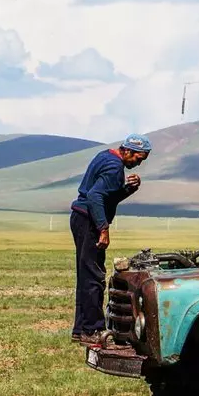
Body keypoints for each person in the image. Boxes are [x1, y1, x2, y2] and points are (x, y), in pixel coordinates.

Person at [69, 134, 151, 344]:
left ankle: (81, 329)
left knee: (86, 275)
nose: (138, 163)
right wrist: (103, 229)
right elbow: (95, 196)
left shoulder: (105, 156)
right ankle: (92, 330)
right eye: (138, 158)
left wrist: (128, 189)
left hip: (80, 218)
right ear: (128, 151)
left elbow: (106, 195)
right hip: (89, 222)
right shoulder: (115, 167)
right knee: (94, 277)